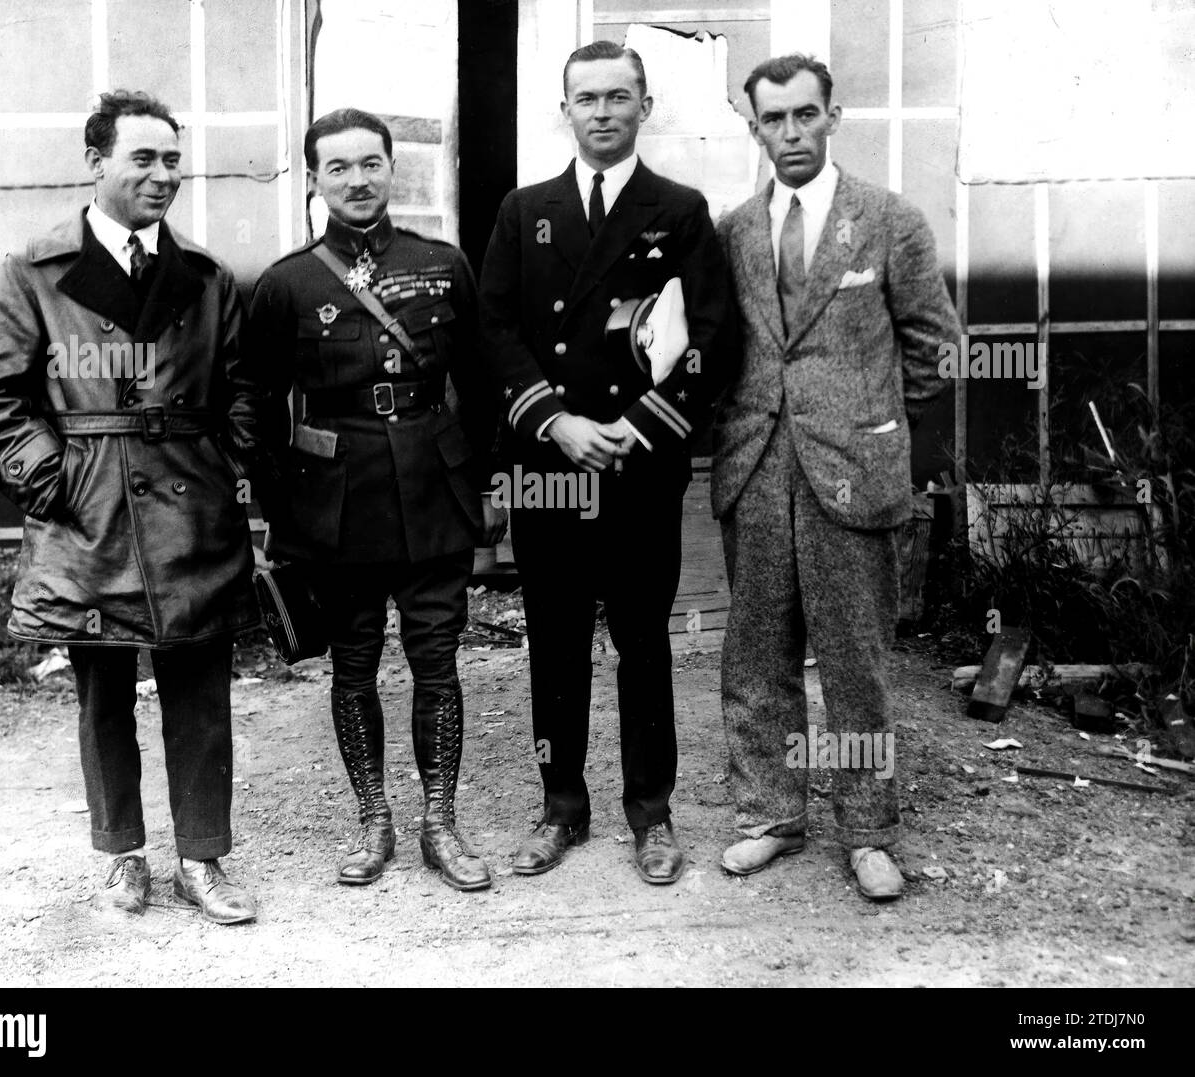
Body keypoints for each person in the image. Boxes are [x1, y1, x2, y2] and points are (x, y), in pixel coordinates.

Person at [0, 90, 261, 924]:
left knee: (200, 693)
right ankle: (123, 855)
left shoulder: (204, 277)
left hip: (190, 513)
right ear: (96, 164)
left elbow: (239, 391)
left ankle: (203, 859)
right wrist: (56, 483)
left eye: (173, 159)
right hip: (88, 521)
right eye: (144, 159)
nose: (165, 175)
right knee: (103, 698)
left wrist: (221, 464)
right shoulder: (32, 271)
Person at [480, 42, 732, 884]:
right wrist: (555, 422)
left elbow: (711, 341)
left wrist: (636, 424)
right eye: (585, 98)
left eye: (618, 97)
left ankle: (651, 814)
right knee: (553, 643)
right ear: (565, 110)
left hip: (637, 468)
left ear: (645, 106)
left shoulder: (681, 210)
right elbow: (498, 331)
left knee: (643, 641)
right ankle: (561, 806)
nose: (601, 112)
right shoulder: (525, 211)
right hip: (551, 467)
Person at [713, 55, 960, 899]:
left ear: (833, 116)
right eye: (772, 119)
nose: (790, 133)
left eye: (804, 116)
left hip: (854, 473)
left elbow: (936, 348)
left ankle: (867, 830)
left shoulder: (889, 221)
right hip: (756, 467)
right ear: (754, 126)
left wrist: (878, 426)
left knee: (855, 660)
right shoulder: (734, 229)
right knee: (755, 656)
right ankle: (771, 813)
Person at [247, 109, 505, 892]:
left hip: (432, 486)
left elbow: (486, 380)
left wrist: (475, 469)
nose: (357, 180)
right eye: (339, 168)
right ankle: (373, 818)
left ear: (392, 170)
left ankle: (439, 820)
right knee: (353, 663)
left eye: (371, 164)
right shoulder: (288, 283)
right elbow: (258, 405)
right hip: (336, 497)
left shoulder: (442, 264)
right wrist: (275, 509)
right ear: (315, 179)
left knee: (437, 658)